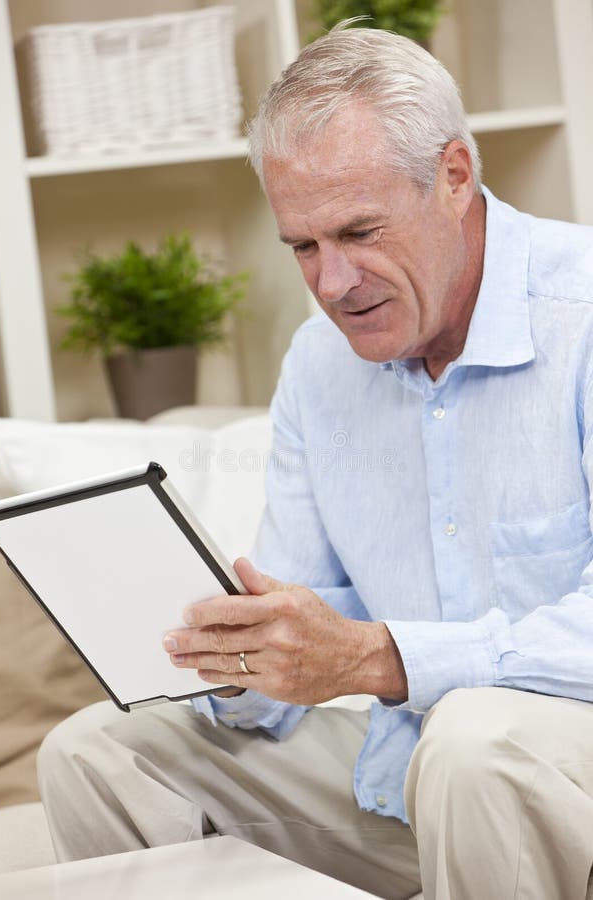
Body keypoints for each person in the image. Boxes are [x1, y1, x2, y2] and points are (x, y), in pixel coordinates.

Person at [38, 23, 593, 900]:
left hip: (548, 767)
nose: (333, 284)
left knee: (474, 742)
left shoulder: (582, 314)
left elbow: (382, 661)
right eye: (303, 246)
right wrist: (236, 657)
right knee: (95, 752)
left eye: (359, 231)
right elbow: (299, 626)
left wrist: (381, 658)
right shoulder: (319, 366)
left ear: (455, 176)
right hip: (410, 777)